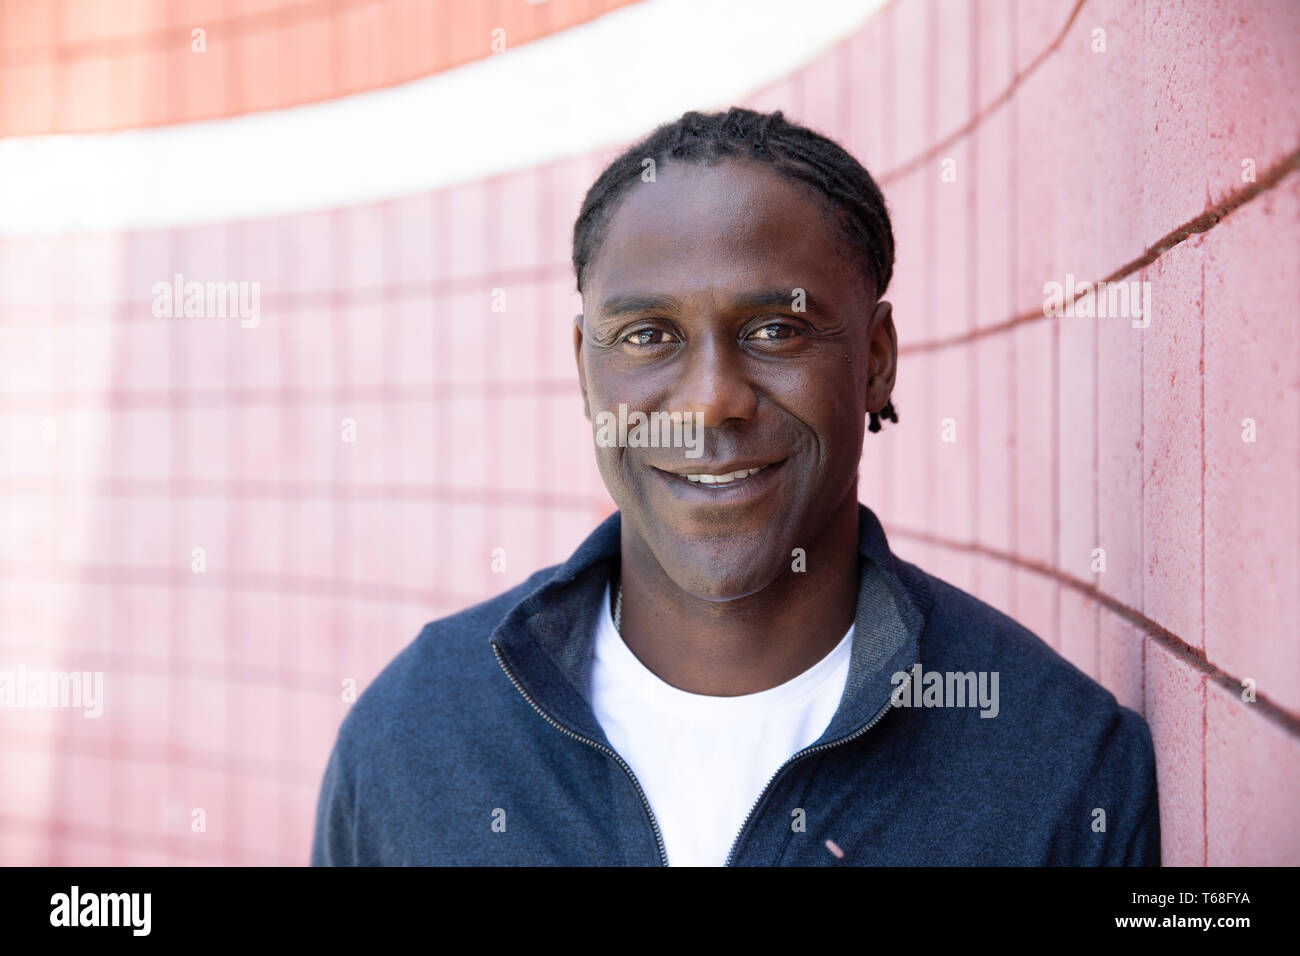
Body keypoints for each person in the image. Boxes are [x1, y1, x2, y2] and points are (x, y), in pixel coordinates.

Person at [311, 107, 1160, 866]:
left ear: (876, 360)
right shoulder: (415, 734)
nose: (712, 399)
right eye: (649, 335)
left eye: (775, 330)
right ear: (585, 370)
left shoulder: (1060, 768)